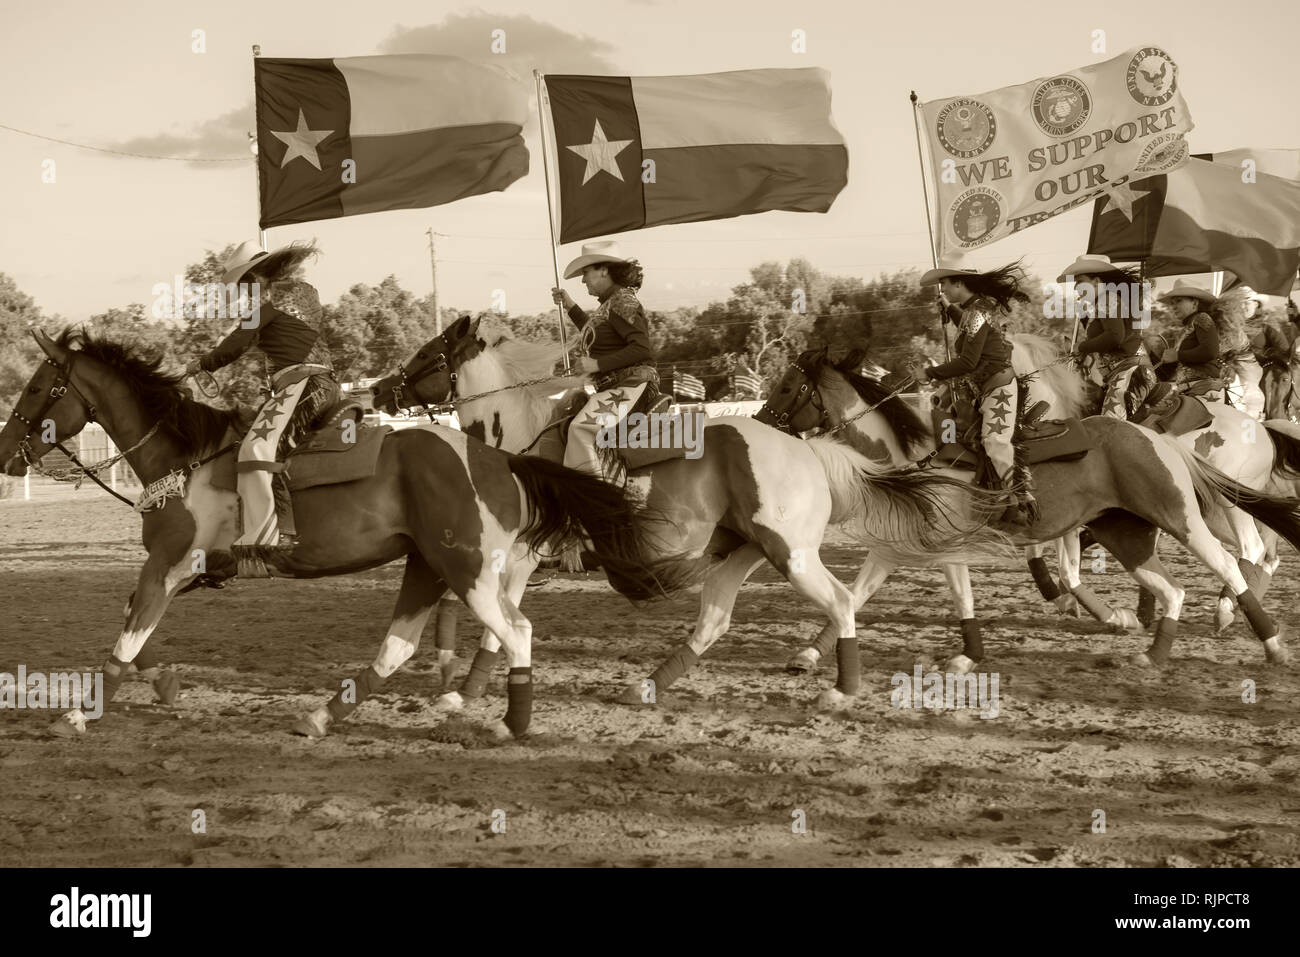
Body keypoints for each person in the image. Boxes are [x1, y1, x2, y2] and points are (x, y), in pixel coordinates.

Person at [185, 239, 339, 575]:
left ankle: (277, 535)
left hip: (303, 387)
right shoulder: (303, 291)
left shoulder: (266, 301)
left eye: (243, 285)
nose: (243, 293)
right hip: (322, 386)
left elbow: (236, 344)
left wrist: (201, 364)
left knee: (257, 448)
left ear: (253, 277)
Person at [911, 259, 1030, 526]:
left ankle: (1018, 500)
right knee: (952, 422)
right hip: (982, 389)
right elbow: (967, 326)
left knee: (994, 441)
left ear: (959, 283)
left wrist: (929, 373)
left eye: (946, 284)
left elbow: (968, 362)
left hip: (999, 387)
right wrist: (949, 308)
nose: (943, 289)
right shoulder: (975, 311)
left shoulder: (979, 312)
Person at [551, 241, 659, 481]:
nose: (582, 280)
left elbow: (642, 349)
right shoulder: (611, 304)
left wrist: (596, 365)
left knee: (580, 430)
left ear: (604, 270)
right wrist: (569, 305)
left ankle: (598, 497)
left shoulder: (623, 301)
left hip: (632, 386)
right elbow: (595, 332)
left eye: (585, 273)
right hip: (618, 388)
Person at [1056, 253, 1153, 419]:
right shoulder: (1105, 301)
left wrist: (1081, 346)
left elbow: (1115, 336)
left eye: (1080, 281)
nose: (1075, 288)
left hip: (1129, 374)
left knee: (1107, 428)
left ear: (1097, 282)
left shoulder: (1106, 299)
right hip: (1120, 374)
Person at [1157, 281, 1224, 401]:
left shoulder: (1202, 318)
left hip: (1204, 389)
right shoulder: (1188, 327)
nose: (1174, 307)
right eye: (1172, 303)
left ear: (1195, 303)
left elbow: (1210, 351)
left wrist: (1177, 355)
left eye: (1179, 301)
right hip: (1191, 391)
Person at [1215, 284, 1267, 420]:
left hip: (1256, 367)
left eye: (1247, 302)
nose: (1243, 306)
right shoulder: (1225, 324)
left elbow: (1283, 350)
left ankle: (1252, 419)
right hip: (1230, 363)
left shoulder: (1266, 327)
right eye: (1240, 303)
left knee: (1252, 394)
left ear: (1256, 304)